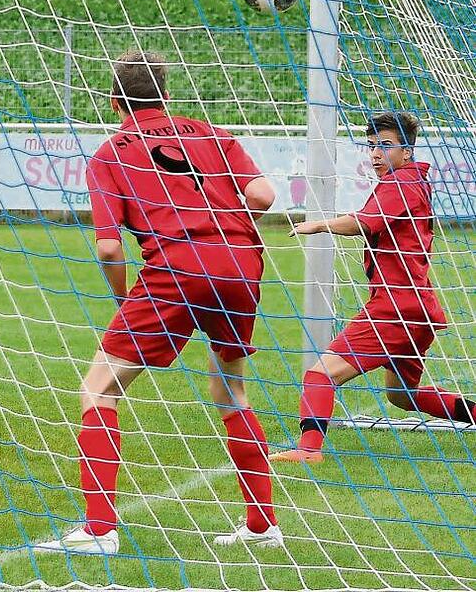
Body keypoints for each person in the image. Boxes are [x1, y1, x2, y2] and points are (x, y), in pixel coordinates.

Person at [35, 50, 282, 555]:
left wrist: (125, 297)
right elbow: (264, 196)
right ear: (167, 97)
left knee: (98, 389)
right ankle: (262, 526)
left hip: (176, 271)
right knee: (232, 391)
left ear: (112, 101)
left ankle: (100, 531)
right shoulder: (211, 133)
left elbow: (108, 246)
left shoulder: (109, 155)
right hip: (241, 265)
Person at [272, 112, 476, 464]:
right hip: (417, 308)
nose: (376, 154)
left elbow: (365, 223)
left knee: (320, 374)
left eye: (385, 146)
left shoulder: (402, 183)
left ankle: (309, 450)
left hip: (395, 308)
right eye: (371, 146)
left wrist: (318, 224)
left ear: (407, 151)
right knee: (401, 395)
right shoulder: (414, 182)